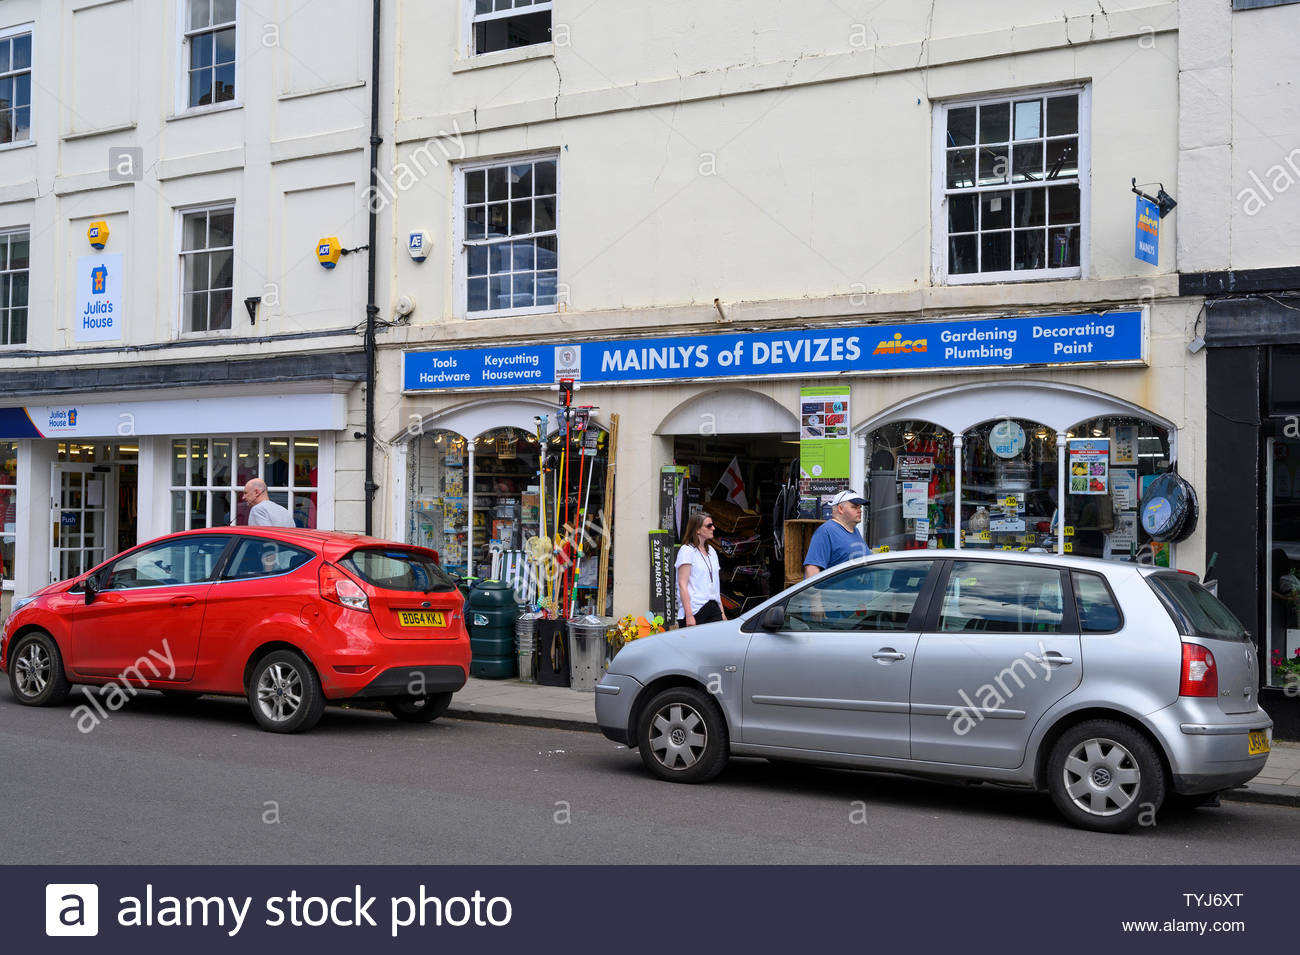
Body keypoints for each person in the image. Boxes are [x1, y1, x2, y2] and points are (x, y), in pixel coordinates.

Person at [803, 489, 869, 578]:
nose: (860, 510)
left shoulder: (855, 531)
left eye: (860, 507)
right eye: (854, 507)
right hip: (837, 591)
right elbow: (812, 569)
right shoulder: (826, 531)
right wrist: (815, 592)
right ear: (840, 509)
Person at [675, 511, 726, 627]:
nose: (713, 528)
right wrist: (688, 615)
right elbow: (682, 584)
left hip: (713, 607)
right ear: (697, 529)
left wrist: (722, 612)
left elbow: (715, 585)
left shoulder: (712, 551)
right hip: (695, 610)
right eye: (709, 526)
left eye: (712, 525)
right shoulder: (687, 550)